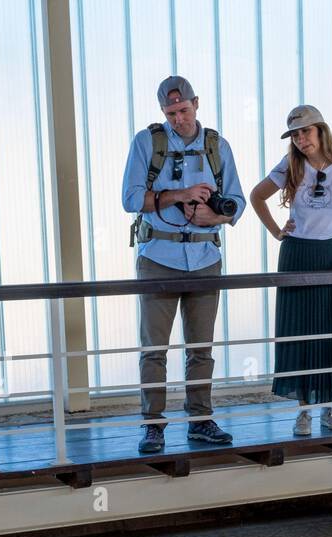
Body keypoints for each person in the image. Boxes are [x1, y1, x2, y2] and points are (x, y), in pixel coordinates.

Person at [121, 76, 247, 453]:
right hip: (159, 258)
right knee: (154, 349)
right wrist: (181, 195)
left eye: (183, 110)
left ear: (197, 102)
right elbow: (130, 199)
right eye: (171, 112)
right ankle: (154, 425)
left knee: (201, 348)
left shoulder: (217, 146)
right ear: (163, 111)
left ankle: (200, 420)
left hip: (206, 259)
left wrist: (216, 217)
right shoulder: (147, 143)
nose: (178, 118)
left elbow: (238, 201)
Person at [250, 105, 332, 437]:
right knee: (300, 333)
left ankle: (331, 406)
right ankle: (303, 410)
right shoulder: (290, 165)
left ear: (321, 129)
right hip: (297, 254)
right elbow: (256, 196)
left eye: (305, 131)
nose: (301, 139)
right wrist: (277, 231)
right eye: (295, 134)